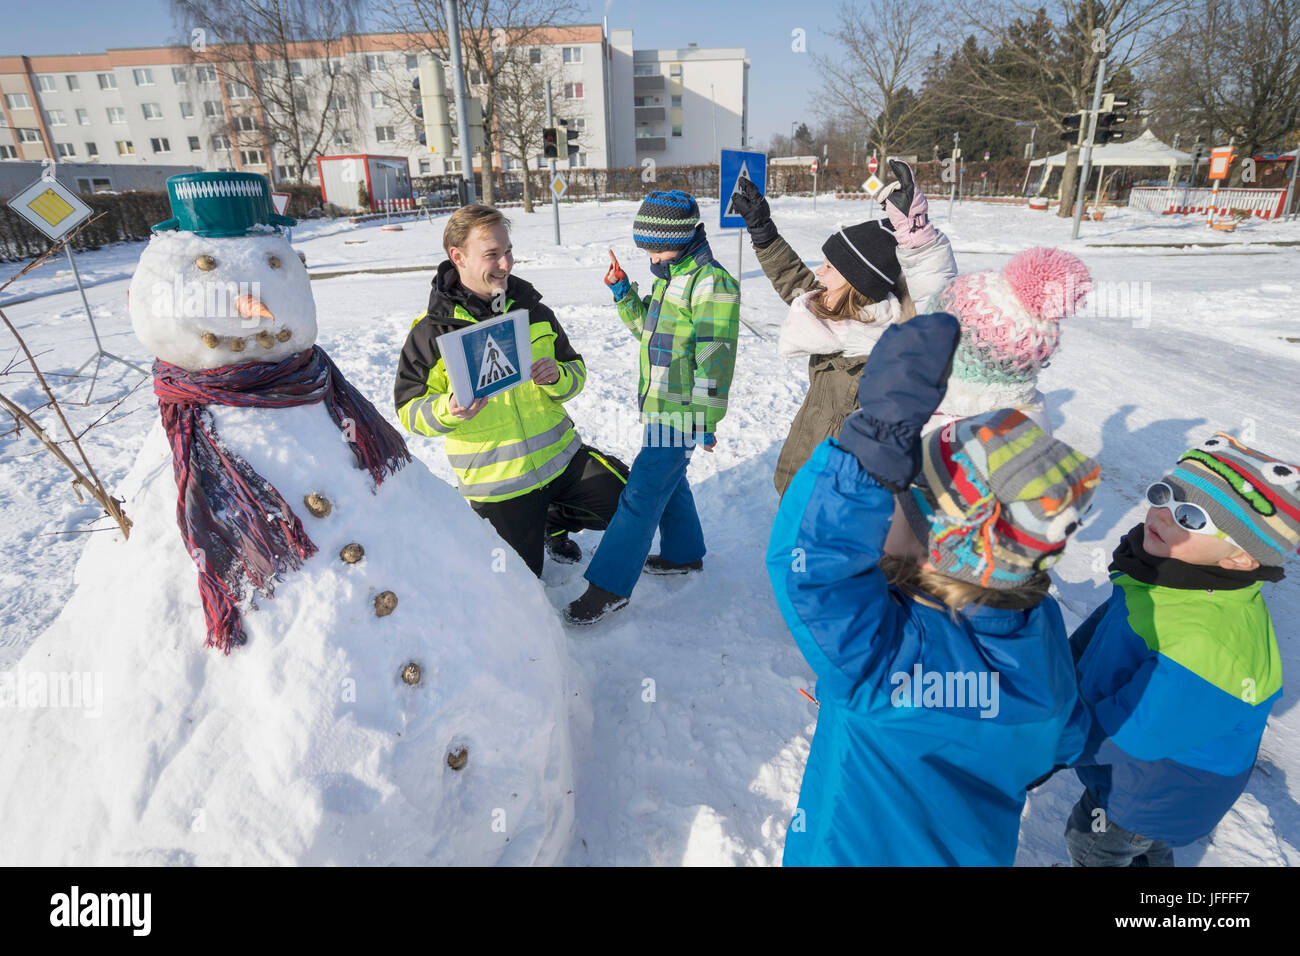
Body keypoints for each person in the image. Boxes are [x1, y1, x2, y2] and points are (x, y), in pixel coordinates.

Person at [766, 312, 1100, 865]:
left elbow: (812, 569)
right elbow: (1063, 741)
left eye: (899, 495)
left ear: (938, 544)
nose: (886, 502)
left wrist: (870, 444)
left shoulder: (885, 662)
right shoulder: (1034, 623)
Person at [1064, 433, 1298, 866]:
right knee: (1144, 846)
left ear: (1241, 558)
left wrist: (1054, 740)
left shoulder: (1206, 640)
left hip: (1154, 787)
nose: (1164, 515)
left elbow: (1137, 732)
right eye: (1165, 494)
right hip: (1156, 776)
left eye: (1190, 517)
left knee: (1092, 843)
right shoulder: (1170, 578)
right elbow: (1108, 630)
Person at [393, 204, 629, 577]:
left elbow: (577, 371)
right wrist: (448, 410)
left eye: (508, 251)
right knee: (518, 581)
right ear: (458, 257)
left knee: (632, 506)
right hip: (499, 486)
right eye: (492, 255)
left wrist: (558, 377)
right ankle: (531, 524)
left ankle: (552, 519)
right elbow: (408, 410)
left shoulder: (533, 310)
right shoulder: (429, 333)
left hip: (561, 461)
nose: (506, 264)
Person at [563, 190, 740, 625]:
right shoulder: (671, 276)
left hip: (682, 412)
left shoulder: (709, 282)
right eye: (647, 248)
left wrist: (704, 418)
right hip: (663, 405)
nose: (652, 256)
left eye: (658, 247)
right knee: (670, 482)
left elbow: (715, 358)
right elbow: (649, 331)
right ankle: (683, 555)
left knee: (641, 494)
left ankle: (608, 586)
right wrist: (624, 293)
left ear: (683, 236)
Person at [729, 160, 957, 496]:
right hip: (797, 481)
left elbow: (936, 305)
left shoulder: (888, 357)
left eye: (830, 267)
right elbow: (795, 280)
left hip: (834, 504)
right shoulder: (833, 319)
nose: (819, 273)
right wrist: (763, 231)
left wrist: (918, 237)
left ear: (857, 285)